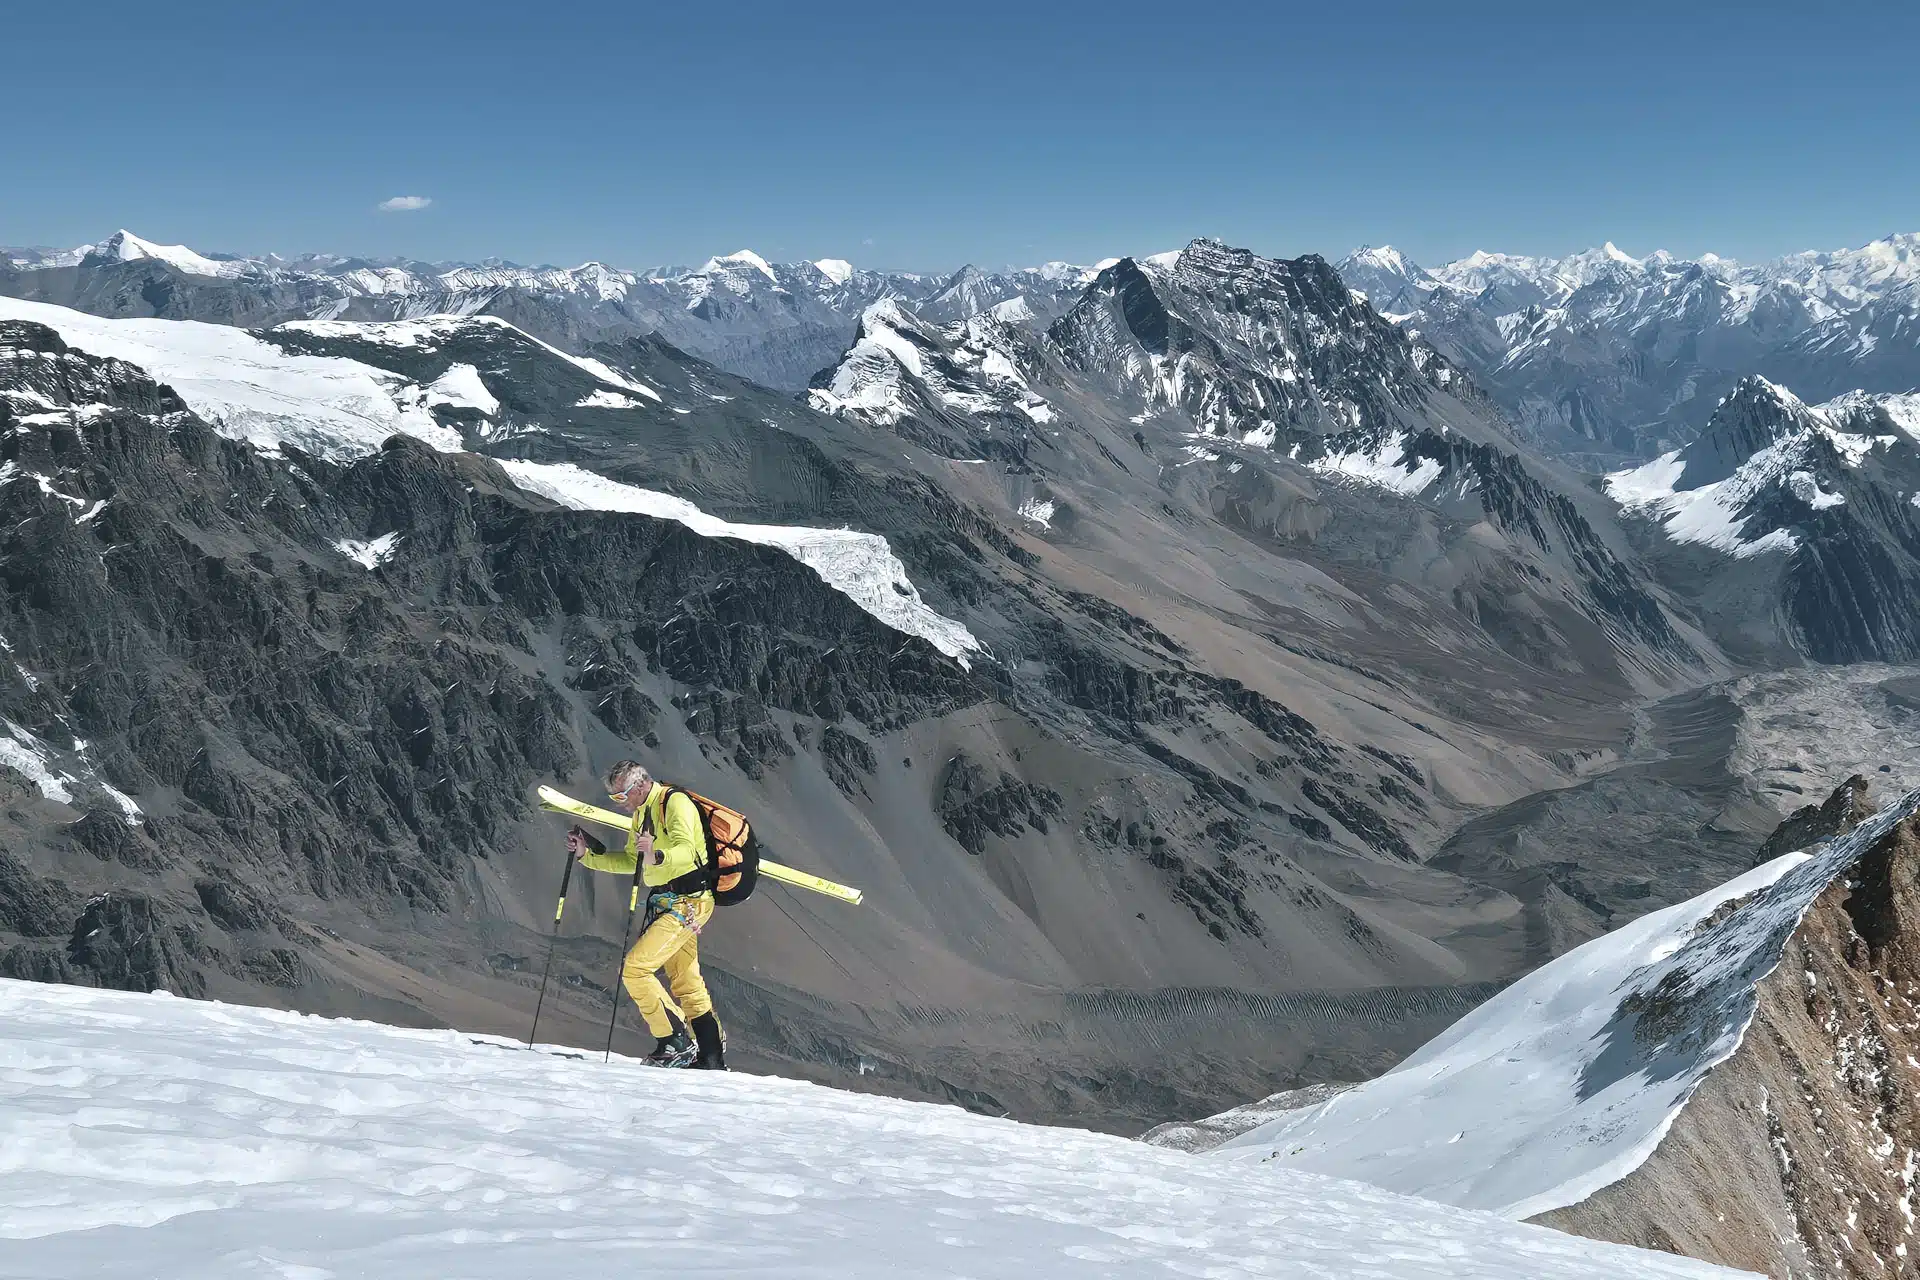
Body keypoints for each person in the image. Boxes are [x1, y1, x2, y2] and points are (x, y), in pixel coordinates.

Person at [567, 760, 726, 1070]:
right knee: (686, 981)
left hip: (688, 903)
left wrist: (657, 855)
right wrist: (587, 857)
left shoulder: (675, 803)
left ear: (639, 786)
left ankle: (675, 1040)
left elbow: (687, 850)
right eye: (614, 797)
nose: (619, 802)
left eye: (620, 795)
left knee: (635, 969)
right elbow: (632, 861)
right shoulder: (642, 813)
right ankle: (711, 1056)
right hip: (669, 903)